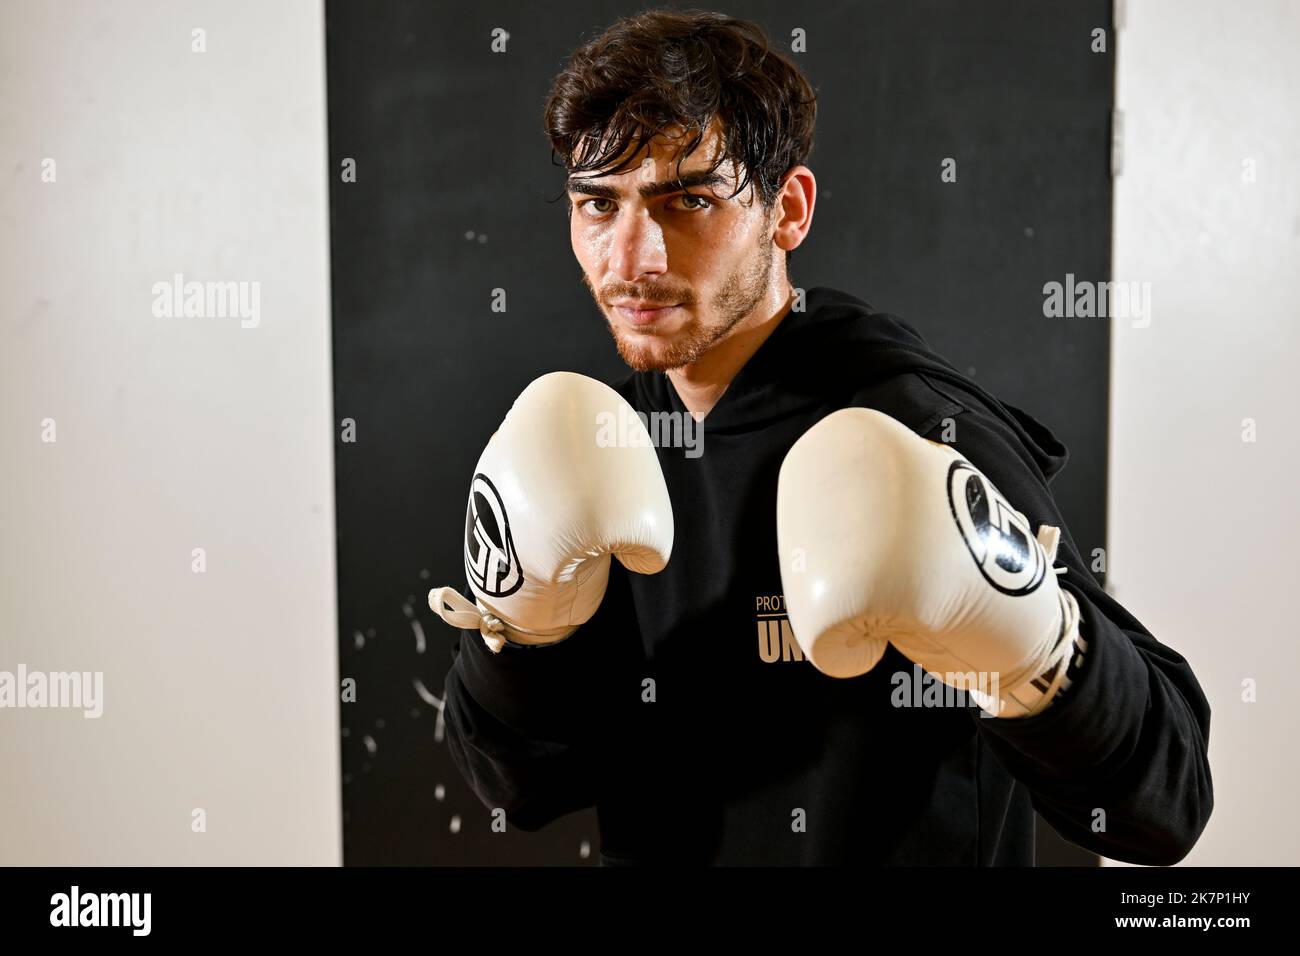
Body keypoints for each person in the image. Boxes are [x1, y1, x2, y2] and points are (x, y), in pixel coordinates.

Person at [429, 9, 1212, 866]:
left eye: (688, 199)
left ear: (787, 210)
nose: (633, 257)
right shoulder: (592, 445)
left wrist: (1032, 648)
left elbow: (1164, 805)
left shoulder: (912, 421)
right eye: (597, 204)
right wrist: (521, 626)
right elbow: (521, 787)